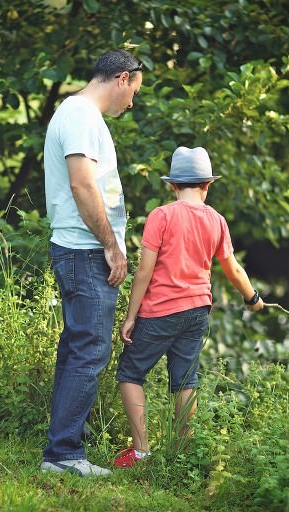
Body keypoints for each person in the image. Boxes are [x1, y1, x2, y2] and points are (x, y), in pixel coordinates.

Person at [113, 146, 264, 468]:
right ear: (208, 185)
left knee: (130, 372)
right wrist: (252, 298)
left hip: (160, 311)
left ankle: (141, 451)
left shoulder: (162, 215)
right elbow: (233, 268)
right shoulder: (217, 221)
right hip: (198, 310)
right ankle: (182, 453)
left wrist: (130, 316)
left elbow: (145, 270)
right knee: (185, 380)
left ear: (172, 185)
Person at [40, 49, 144, 477]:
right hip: (85, 252)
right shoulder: (82, 114)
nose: (132, 103)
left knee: (76, 350)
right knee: (90, 352)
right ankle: (65, 456)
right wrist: (112, 247)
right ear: (122, 78)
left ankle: (60, 451)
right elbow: (83, 185)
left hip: (78, 249)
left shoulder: (76, 112)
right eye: (134, 92)